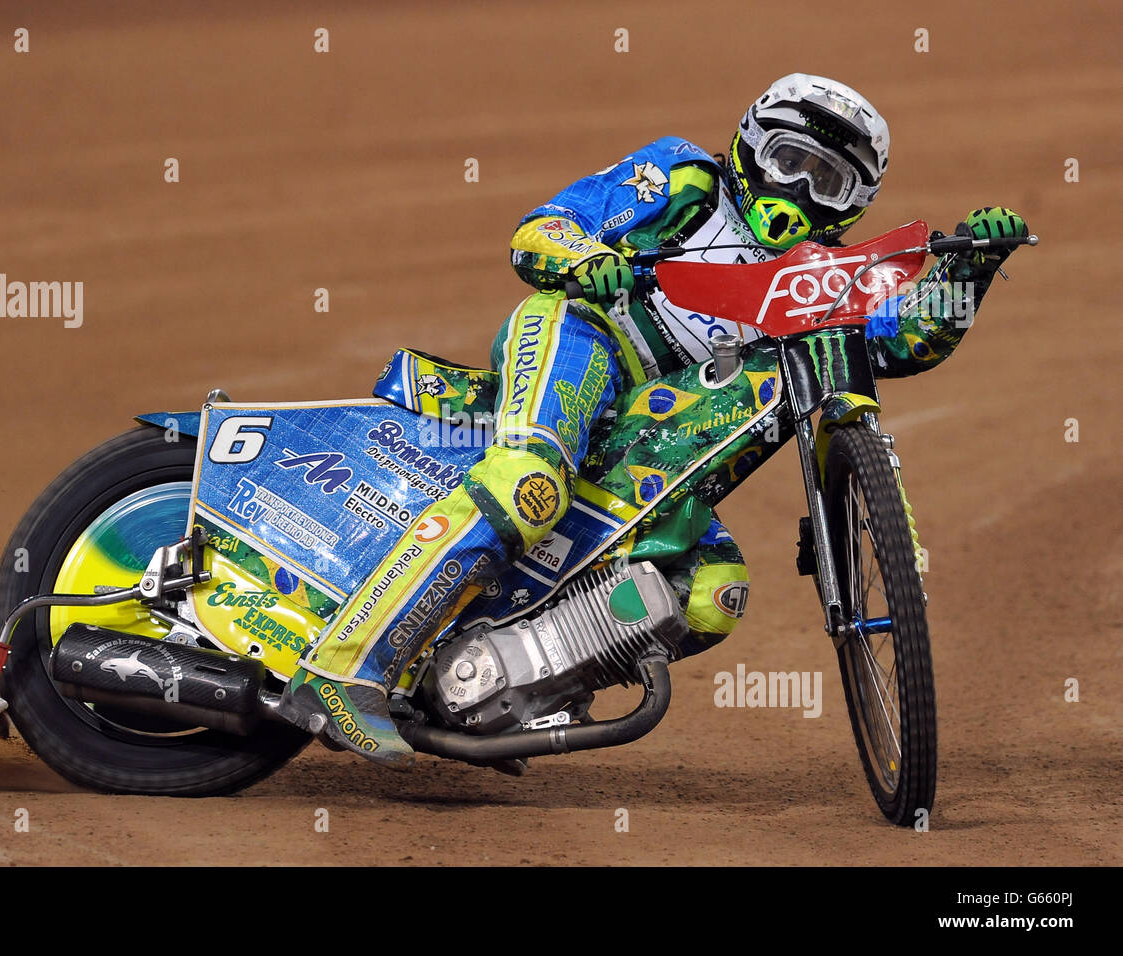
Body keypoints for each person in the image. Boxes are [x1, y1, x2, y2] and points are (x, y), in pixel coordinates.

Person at [282, 72, 1029, 768]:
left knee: (711, 591)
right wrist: (584, 258)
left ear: (854, 204)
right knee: (527, 487)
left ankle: (500, 693)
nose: (799, 190)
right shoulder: (682, 178)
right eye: (789, 160)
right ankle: (343, 667)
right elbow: (543, 227)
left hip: (649, 437)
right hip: (584, 339)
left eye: (826, 181)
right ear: (749, 143)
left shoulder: (824, 279)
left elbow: (901, 340)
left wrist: (972, 269)